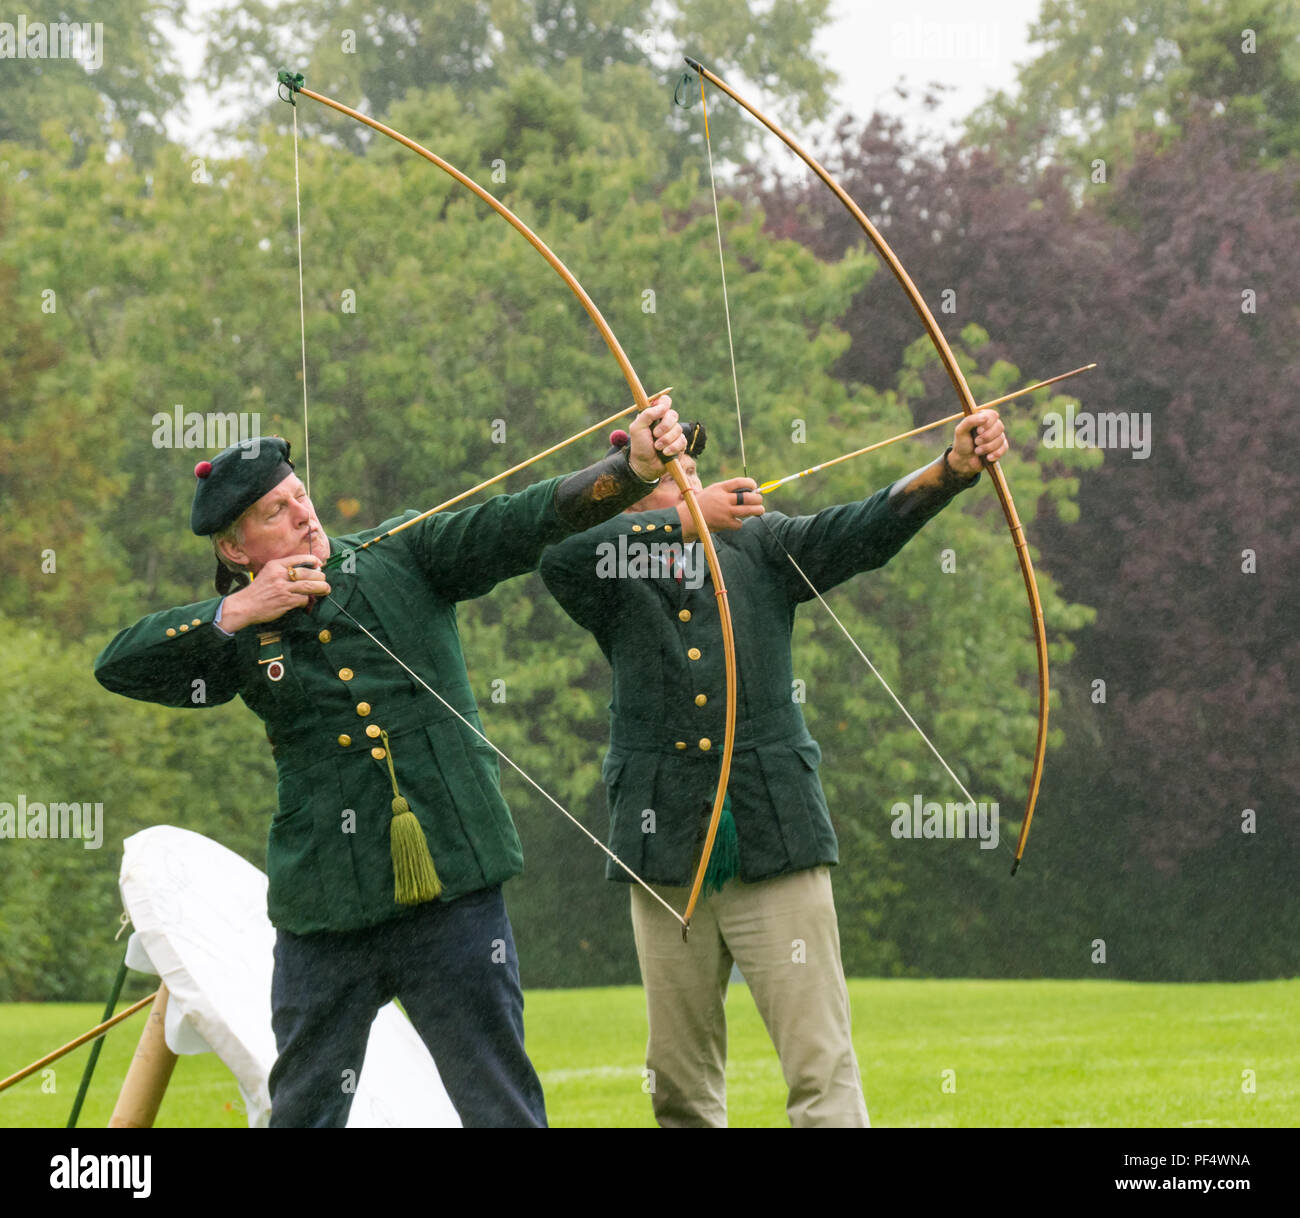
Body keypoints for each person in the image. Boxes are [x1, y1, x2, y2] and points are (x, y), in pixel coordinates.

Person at [93, 400, 687, 1127]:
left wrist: (628, 472)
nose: (304, 516)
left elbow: (522, 520)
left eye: (299, 496)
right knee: (305, 1108)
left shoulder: (403, 555)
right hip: (327, 906)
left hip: (452, 885)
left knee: (499, 1104)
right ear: (235, 549)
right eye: (276, 512)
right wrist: (240, 613)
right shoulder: (237, 632)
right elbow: (118, 664)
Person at [539, 408, 1009, 1127]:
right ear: (633, 499)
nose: (688, 484)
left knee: (820, 1069)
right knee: (680, 1087)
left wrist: (948, 472)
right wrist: (686, 526)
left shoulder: (760, 547)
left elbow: (862, 530)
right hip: (667, 852)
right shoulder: (610, 567)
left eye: (690, 473)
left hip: (774, 836)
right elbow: (558, 558)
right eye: (666, 480)